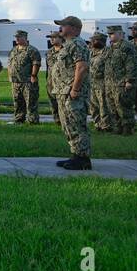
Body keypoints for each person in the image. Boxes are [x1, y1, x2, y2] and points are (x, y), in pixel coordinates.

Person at [51, 15, 92, 170]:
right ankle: (76, 154)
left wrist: (75, 89)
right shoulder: (68, 45)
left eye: (63, 25)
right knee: (69, 125)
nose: (60, 28)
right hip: (64, 92)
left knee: (77, 124)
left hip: (73, 93)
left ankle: (83, 159)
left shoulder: (77, 44)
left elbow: (81, 67)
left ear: (74, 28)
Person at [103, 25, 137, 136]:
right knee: (113, 108)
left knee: (124, 107)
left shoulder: (127, 47)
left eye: (112, 34)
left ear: (120, 34)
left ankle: (128, 130)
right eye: (109, 34)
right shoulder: (110, 48)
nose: (110, 36)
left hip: (122, 83)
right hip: (110, 83)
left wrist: (129, 80)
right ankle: (118, 128)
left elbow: (131, 65)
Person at [7, 30, 41, 124]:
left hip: (27, 81)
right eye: (16, 37)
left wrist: (33, 75)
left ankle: (32, 120)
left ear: (25, 38)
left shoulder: (31, 50)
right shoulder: (14, 50)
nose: (17, 39)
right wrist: (10, 76)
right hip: (15, 81)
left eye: (19, 37)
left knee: (30, 102)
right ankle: (19, 119)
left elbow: (36, 63)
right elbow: (10, 63)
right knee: (17, 101)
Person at [87, 32, 110, 132]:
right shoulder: (90, 52)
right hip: (91, 83)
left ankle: (106, 126)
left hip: (103, 83)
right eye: (92, 39)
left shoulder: (107, 53)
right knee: (93, 106)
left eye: (95, 40)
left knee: (104, 106)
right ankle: (97, 124)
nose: (92, 41)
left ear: (101, 41)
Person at [45, 33, 63, 125]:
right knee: (53, 103)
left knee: (62, 103)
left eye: (54, 38)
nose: (51, 40)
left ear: (60, 38)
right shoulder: (49, 52)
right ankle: (57, 120)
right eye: (50, 38)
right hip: (51, 82)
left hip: (62, 82)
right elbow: (48, 67)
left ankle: (64, 120)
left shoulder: (65, 50)